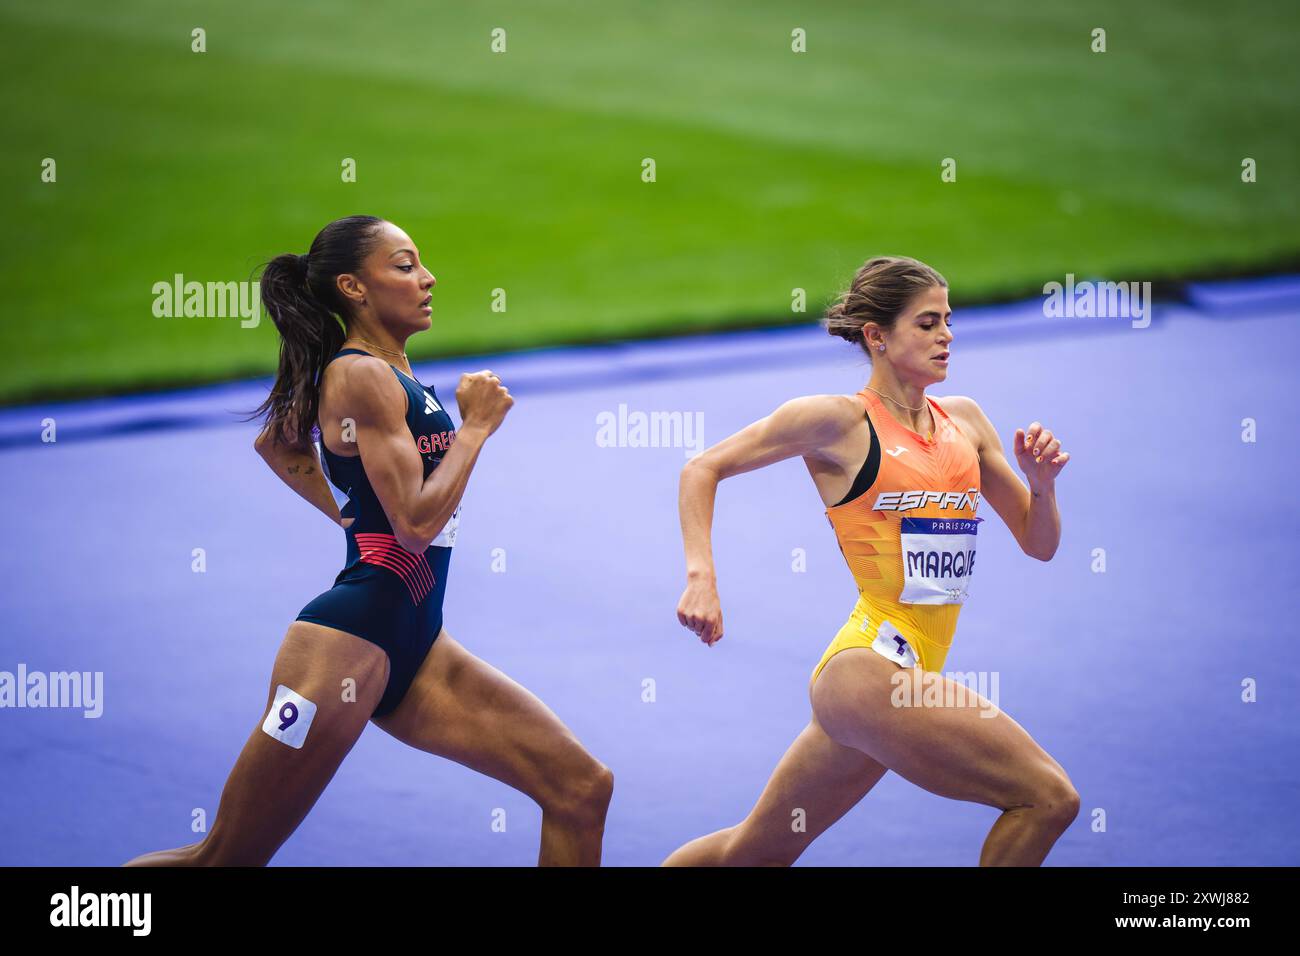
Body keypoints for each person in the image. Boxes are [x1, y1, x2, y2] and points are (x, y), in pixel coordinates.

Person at [126, 215, 612, 866]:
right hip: (342, 648)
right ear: (354, 287)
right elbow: (414, 527)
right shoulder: (361, 376)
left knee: (581, 789)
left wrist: (353, 516)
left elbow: (280, 443)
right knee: (222, 860)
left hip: (418, 643)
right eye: (405, 266)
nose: (428, 278)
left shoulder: (384, 371)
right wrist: (475, 429)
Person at [665, 255, 1077, 866]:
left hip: (907, 668)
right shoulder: (836, 422)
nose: (946, 336)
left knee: (749, 856)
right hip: (868, 671)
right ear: (877, 336)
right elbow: (702, 468)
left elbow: (1039, 544)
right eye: (927, 323)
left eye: (949, 321)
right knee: (1048, 798)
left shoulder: (966, 422)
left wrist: (1042, 488)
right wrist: (701, 578)